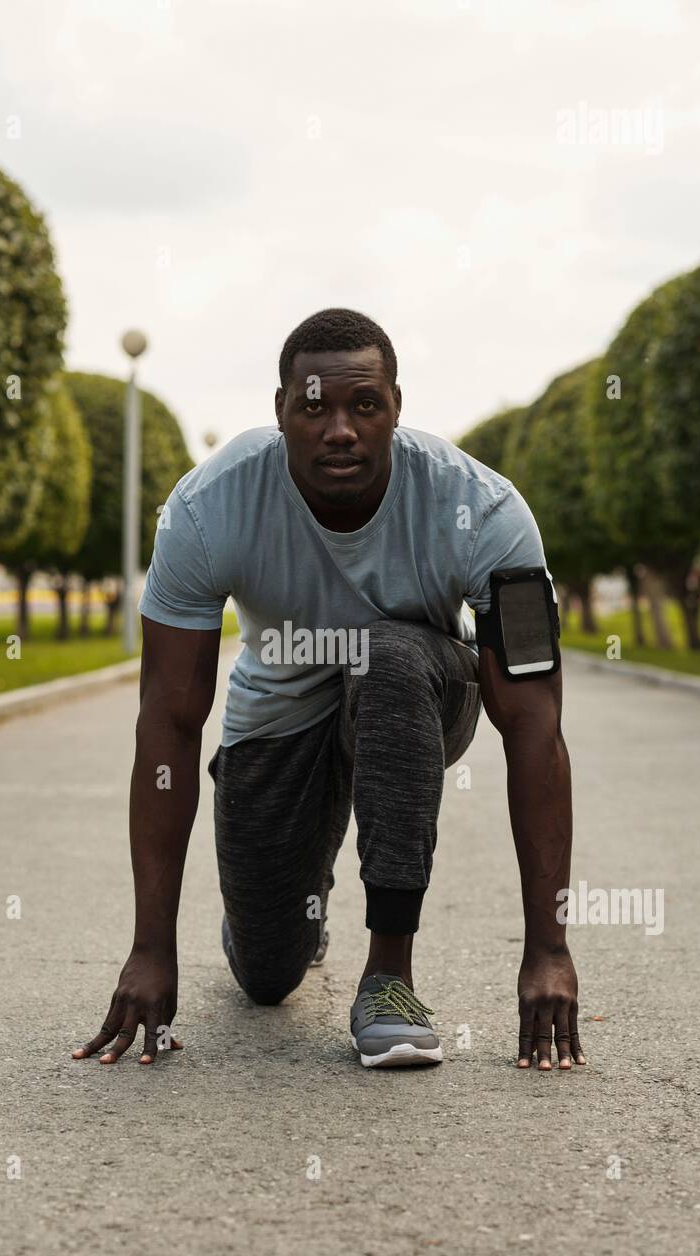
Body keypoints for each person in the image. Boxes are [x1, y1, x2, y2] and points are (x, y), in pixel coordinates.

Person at [73, 307, 586, 1072]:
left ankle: (388, 978)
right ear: (279, 413)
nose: (339, 429)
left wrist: (548, 950)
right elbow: (168, 725)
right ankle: (288, 914)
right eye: (313, 407)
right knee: (265, 975)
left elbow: (534, 725)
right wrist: (151, 949)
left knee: (384, 657)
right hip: (277, 717)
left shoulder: (482, 510)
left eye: (363, 406)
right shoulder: (208, 507)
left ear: (396, 410)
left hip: (413, 693)